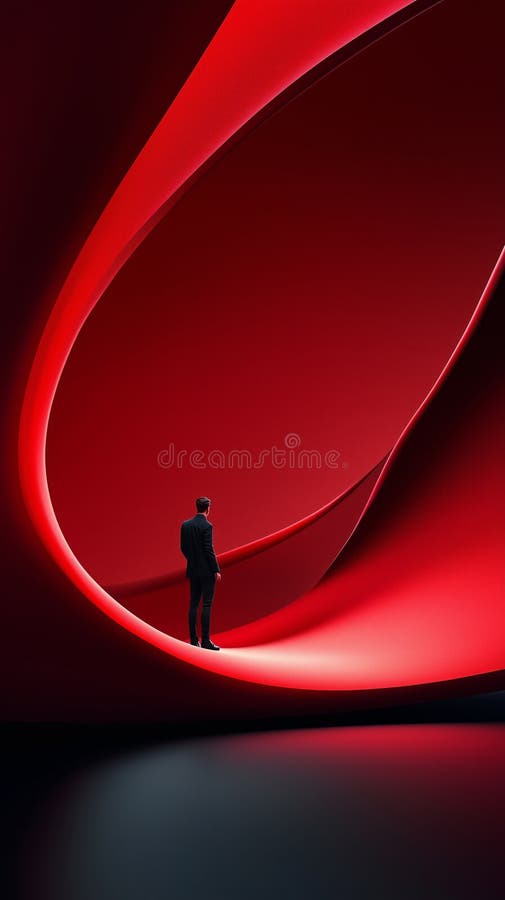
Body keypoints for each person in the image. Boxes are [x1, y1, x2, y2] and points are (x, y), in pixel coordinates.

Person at [180, 497, 221, 650]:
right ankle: (205, 640)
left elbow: (183, 547)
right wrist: (216, 569)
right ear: (208, 509)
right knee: (206, 604)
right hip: (207, 571)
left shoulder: (185, 525)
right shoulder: (207, 526)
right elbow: (208, 549)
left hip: (193, 569)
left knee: (193, 604)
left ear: (197, 507)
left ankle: (193, 640)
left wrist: (193, 560)